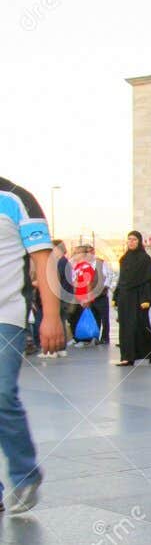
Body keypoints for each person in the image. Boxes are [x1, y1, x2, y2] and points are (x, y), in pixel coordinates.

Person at [0, 177, 64, 512]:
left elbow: (44, 261)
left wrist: (51, 316)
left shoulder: (16, 199)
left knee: (1, 393)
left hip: (5, 314)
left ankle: (25, 474)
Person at [114, 231, 151, 366]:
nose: (131, 242)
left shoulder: (144, 259)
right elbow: (121, 279)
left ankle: (150, 352)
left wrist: (146, 299)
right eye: (129, 240)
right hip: (125, 298)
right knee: (125, 328)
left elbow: (148, 279)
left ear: (139, 242)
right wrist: (116, 295)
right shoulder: (124, 258)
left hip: (139, 298)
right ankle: (127, 357)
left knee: (139, 326)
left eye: (134, 239)